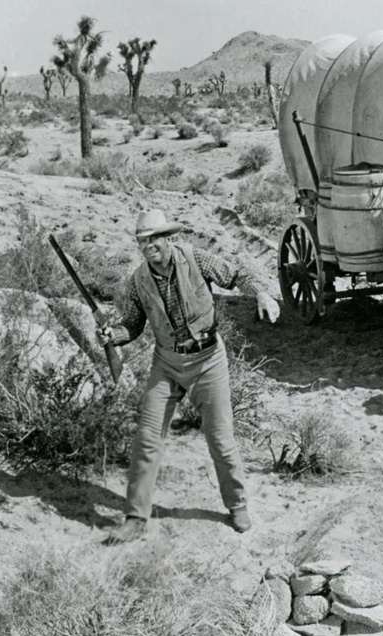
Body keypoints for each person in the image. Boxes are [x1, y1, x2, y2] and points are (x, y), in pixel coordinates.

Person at [96, 208, 280, 544]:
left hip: (209, 360)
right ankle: (136, 517)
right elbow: (133, 325)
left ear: (169, 237)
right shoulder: (138, 281)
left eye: (154, 238)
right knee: (147, 439)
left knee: (220, 440)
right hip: (165, 364)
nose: (148, 245)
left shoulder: (196, 259)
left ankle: (237, 505)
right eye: (142, 240)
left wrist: (261, 293)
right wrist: (114, 335)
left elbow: (237, 273)